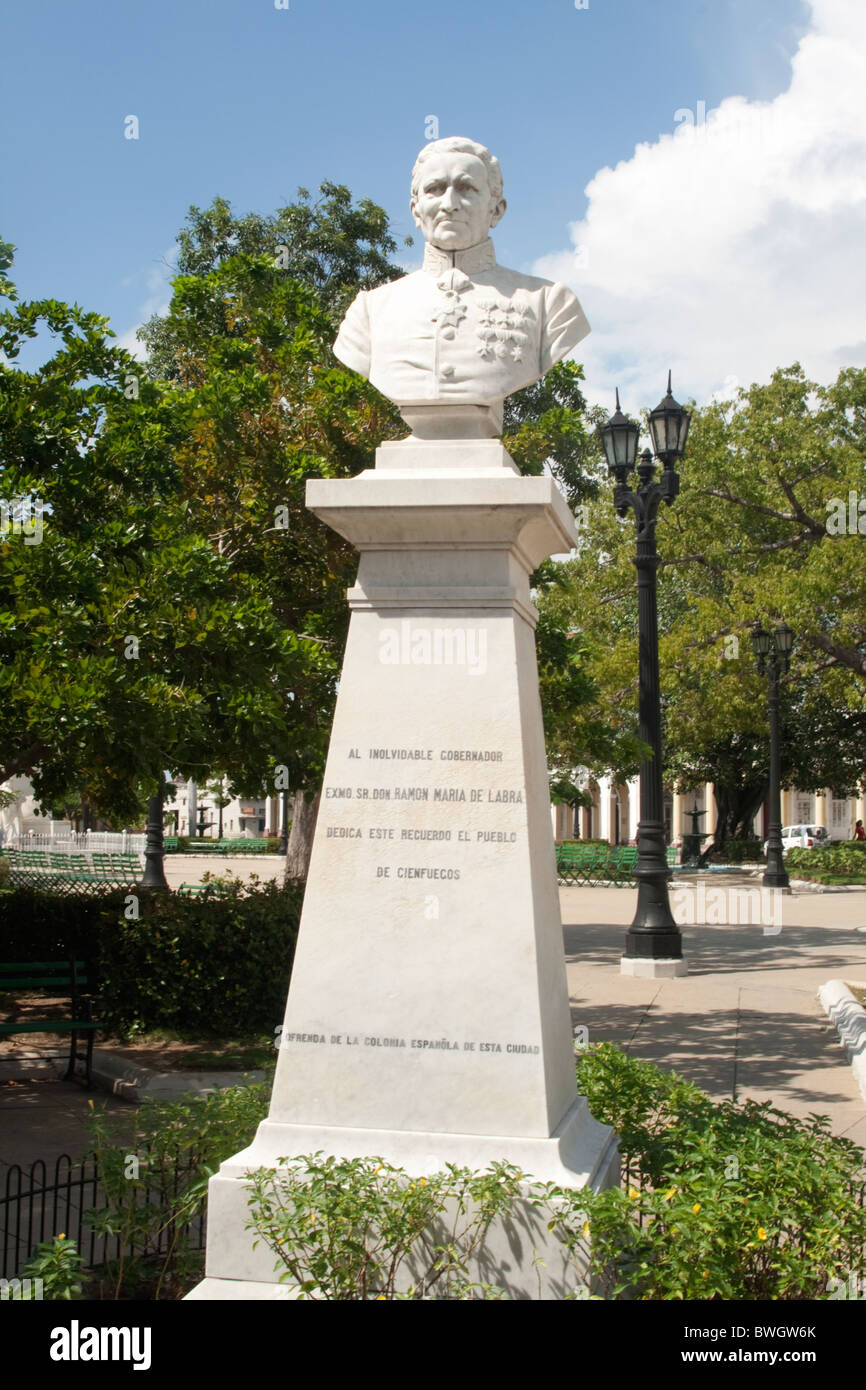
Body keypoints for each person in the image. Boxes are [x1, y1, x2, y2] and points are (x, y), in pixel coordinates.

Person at [333, 136, 590, 438]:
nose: (450, 204)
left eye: (466, 189)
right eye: (435, 189)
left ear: (497, 209)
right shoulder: (370, 310)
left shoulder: (550, 303)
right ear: (416, 210)